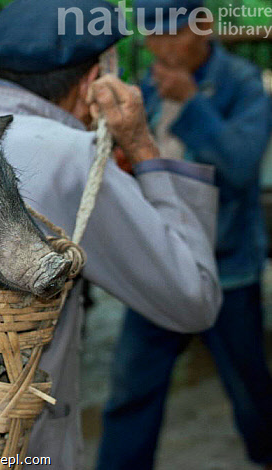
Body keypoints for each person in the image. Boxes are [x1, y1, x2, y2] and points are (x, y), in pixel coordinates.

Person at [0, 0, 221, 468]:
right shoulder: (70, 157)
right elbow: (193, 298)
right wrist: (142, 145)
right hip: (18, 444)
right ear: (93, 82)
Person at [96, 1, 272, 469]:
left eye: (175, 33)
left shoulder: (241, 82)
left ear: (204, 27)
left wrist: (193, 102)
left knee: (249, 387)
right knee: (132, 389)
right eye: (154, 36)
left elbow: (239, 166)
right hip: (159, 263)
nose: (163, 47)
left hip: (227, 268)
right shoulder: (148, 87)